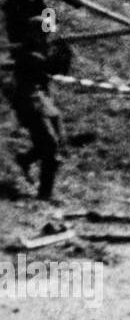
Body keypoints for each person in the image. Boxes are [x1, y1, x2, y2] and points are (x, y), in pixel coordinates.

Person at [6, 17, 71, 202]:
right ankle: (45, 193)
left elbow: (59, 71)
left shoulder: (41, 50)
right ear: (33, 33)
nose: (45, 36)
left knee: (57, 144)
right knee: (50, 147)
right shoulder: (26, 53)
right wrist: (57, 53)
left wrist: (65, 53)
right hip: (29, 102)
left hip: (44, 101)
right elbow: (46, 65)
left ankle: (24, 160)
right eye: (42, 33)